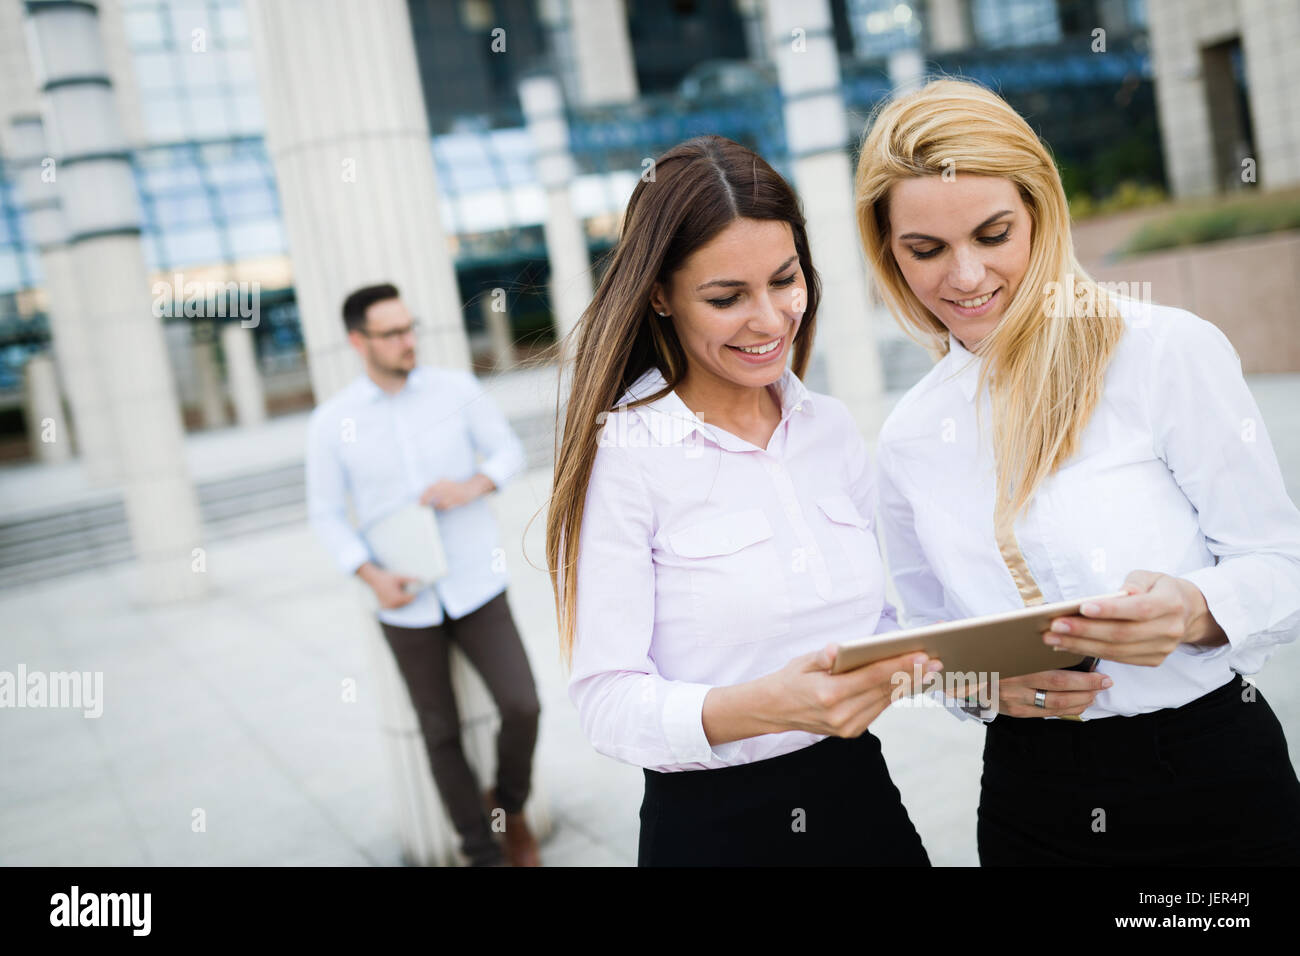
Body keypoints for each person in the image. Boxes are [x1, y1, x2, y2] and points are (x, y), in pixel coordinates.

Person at [854, 78, 1300, 865]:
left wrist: (1195, 610)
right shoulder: (908, 438)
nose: (964, 277)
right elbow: (935, 650)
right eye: (925, 250)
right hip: (1034, 798)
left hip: (1211, 774)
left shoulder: (1164, 352)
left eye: (994, 235)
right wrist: (984, 691)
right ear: (888, 252)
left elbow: (1282, 563)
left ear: (1041, 214)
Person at [546, 135, 935, 867]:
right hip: (713, 830)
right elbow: (605, 703)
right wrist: (764, 704)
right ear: (659, 294)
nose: (770, 319)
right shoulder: (626, 456)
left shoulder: (830, 430)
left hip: (861, 799)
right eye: (727, 297)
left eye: (785, 281)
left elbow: (876, 623)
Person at [305, 282, 541, 867]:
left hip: (476, 582)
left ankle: (508, 807)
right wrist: (369, 576)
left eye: (410, 328)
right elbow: (326, 514)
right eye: (391, 333)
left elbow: (509, 452)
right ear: (358, 342)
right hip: (402, 596)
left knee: (523, 704)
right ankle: (481, 852)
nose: (408, 341)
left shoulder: (455, 390)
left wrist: (472, 485)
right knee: (439, 732)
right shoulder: (333, 422)